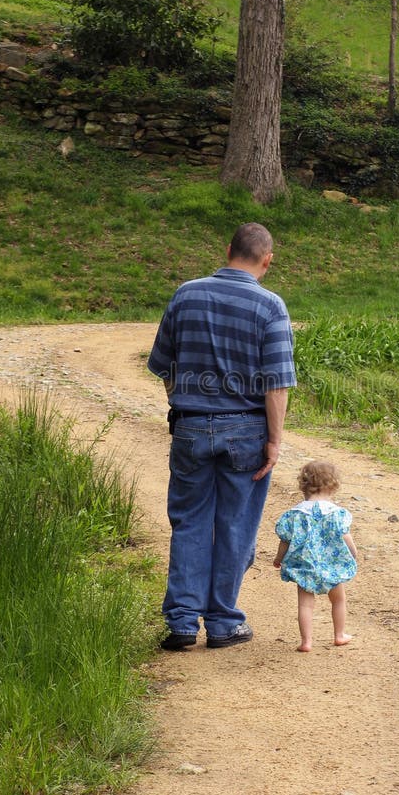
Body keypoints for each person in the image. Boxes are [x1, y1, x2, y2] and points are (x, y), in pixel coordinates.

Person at [148, 222, 296, 650]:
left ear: (228, 249)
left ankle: (180, 622)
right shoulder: (270, 306)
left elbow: (164, 364)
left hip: (191, 425)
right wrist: (274, 440)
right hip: (247, 430)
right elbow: (277, 384)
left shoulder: (186, 293)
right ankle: (223, 622)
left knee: (189, 522)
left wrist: (184, 404)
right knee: (235, 526)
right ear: (267, 261)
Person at [273, 461, 358, 652]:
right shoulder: (337, 514)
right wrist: (353, 554)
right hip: (333, 566)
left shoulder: (294, 514)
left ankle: (306, 641)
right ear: (334, 485)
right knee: (338, 600)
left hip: (305, 566)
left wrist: (279, 558)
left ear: (303, 485)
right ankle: (339, 635)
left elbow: (285, 541)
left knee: (305, 604)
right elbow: (346, 537)